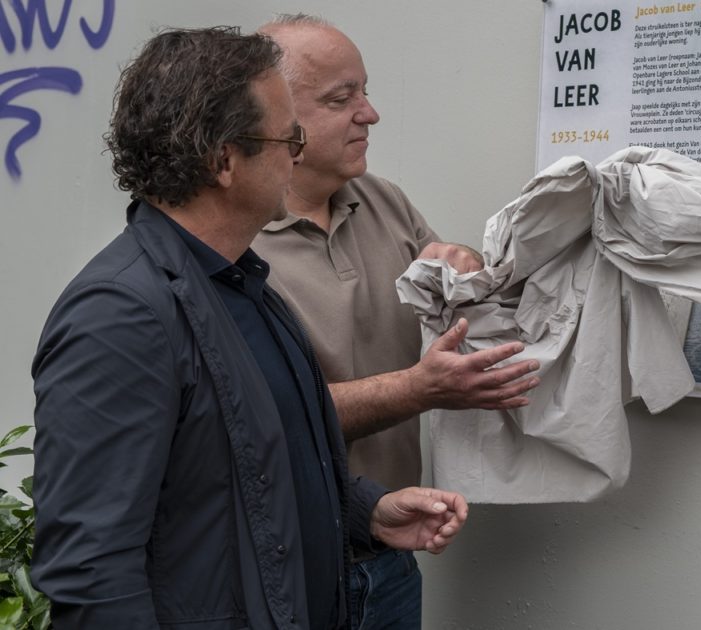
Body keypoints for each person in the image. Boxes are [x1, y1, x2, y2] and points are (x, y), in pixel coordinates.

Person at [30, 26, 468, 630]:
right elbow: (91, 573)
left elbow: (250, 469)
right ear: (224, 160)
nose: (297, 155)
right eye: (289, 138)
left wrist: (364, 510)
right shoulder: (119, 315)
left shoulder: (240, 285)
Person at [252, 14, 540, 629]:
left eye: (365, 90)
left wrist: (465, 263)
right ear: (277, 115)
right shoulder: (235, 240)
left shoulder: (382, 200)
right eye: (342, 99)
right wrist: (419, 389)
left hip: (391, 553)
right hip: (288, 569)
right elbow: (259, 418)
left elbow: (465, 302)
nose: (371, 113)